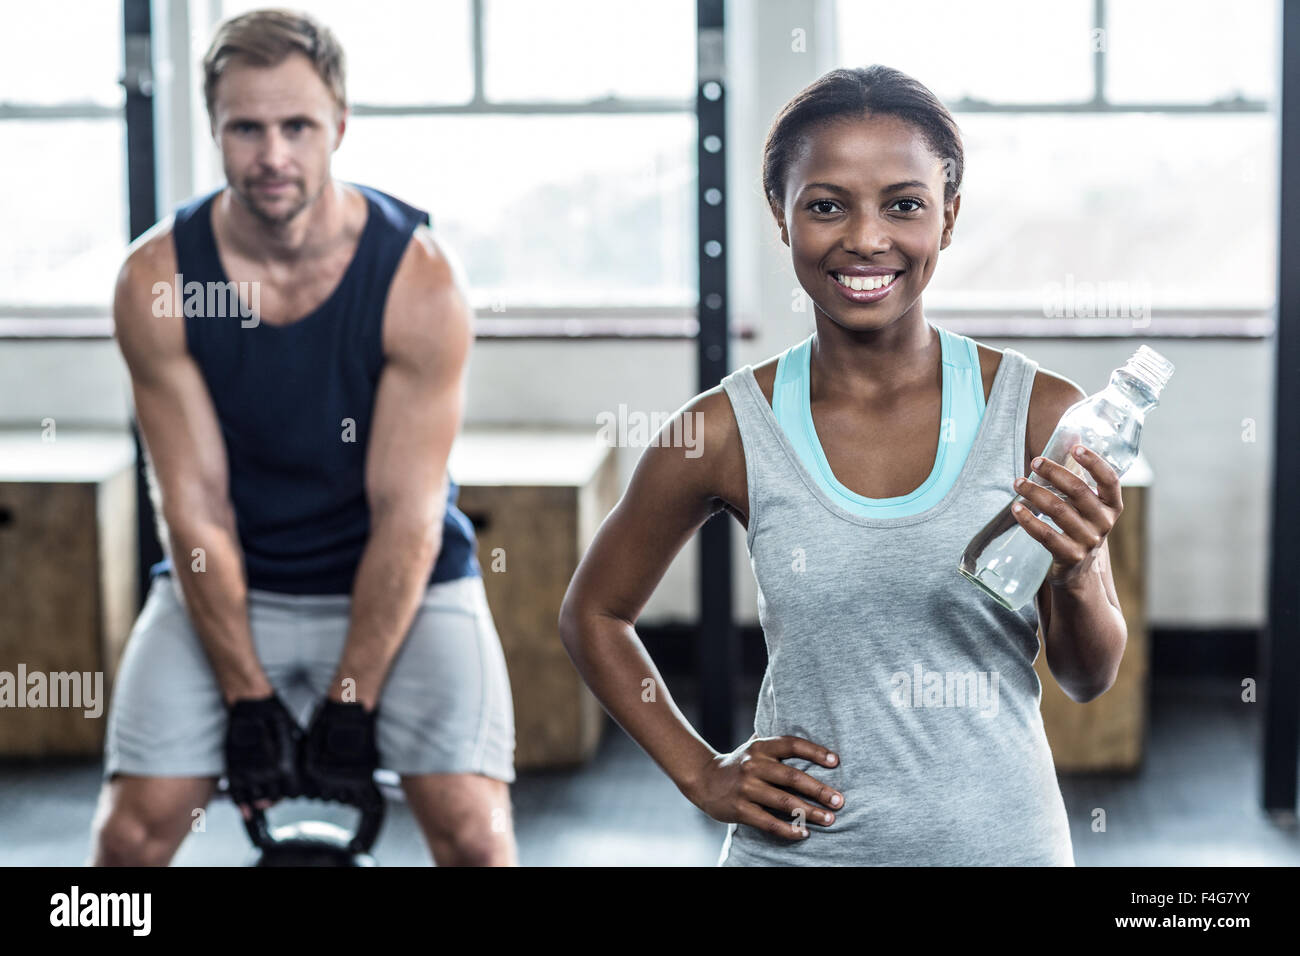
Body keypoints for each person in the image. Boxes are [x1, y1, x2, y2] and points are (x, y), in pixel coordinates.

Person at [558, 65, 1128, 866]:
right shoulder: (725, 430)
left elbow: (1087, 676)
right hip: (797, 853)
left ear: (949, 217)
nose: (867, 238)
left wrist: (1077, 572)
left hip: (1004, 846)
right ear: (781, 218)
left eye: (905, 204)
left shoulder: (1040, 416)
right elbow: (593, 614)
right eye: (826, 205)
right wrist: (701, 773)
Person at [91, 8, 517, 867]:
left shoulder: (420, 279)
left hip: (406, 582)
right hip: (227, 585)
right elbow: (194, 507)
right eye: (246, 128)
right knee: (127, 839)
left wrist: (353, 698)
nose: (273, 155)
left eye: (297, 126)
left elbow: (407, 515)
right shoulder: (157, 280)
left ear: (340, 128)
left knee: (475, 833)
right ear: (213, 130)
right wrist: (246, 698)